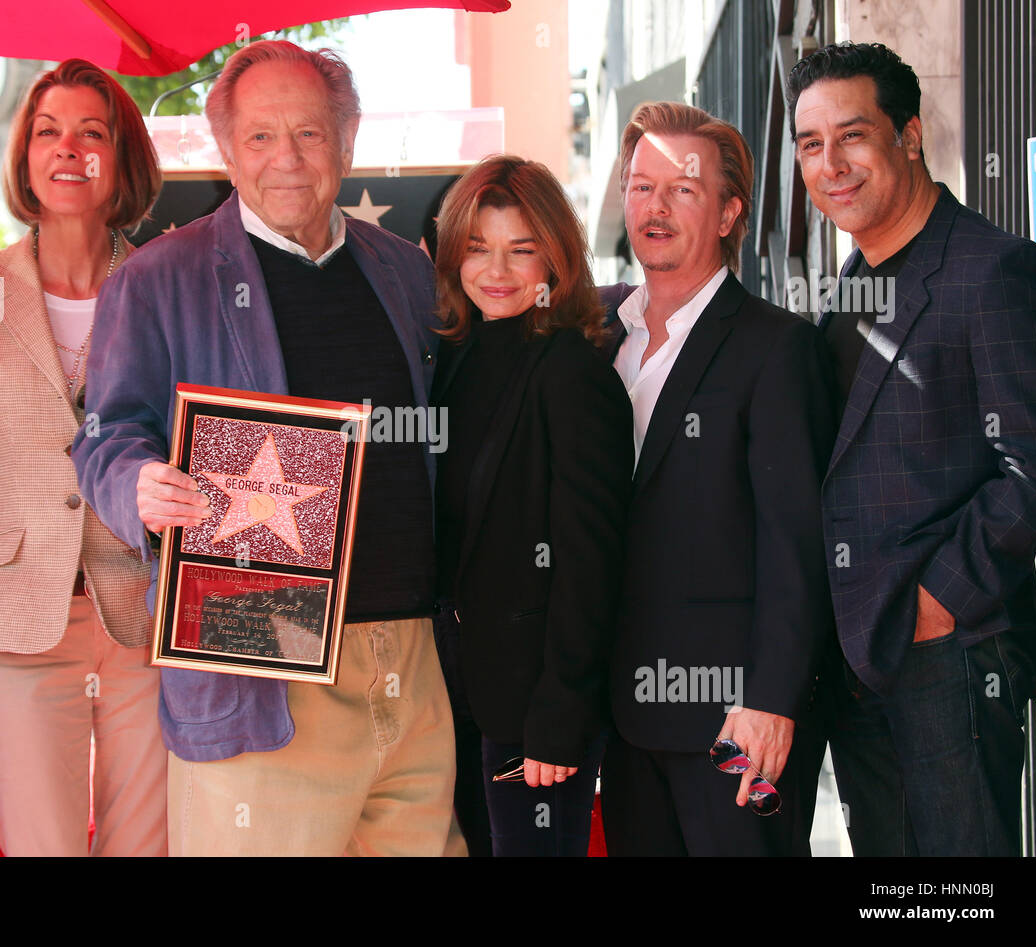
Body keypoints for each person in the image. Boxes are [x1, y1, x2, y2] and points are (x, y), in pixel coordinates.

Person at [73, 39, 463, 857]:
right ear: (225, 148)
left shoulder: (406, 270)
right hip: (261, 654)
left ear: (347, 142)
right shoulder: (157, 278)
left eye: (310, 134)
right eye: (259, 136)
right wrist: (138, 483)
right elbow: (106, 433)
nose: (286, 158)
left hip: (413, 658)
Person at [788, 41, 1036, 856]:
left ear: (909, 134)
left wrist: (936, 602)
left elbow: (1033, 469)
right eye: (809, 144)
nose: (831, 164)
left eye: (852, 135)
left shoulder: (991, 270)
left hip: (953, 658)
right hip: (863, 666)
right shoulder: (848, 286)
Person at [0, 59, 166, 857]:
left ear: (121, 158)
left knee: (145, 845)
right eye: (48, 132)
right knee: (42, 847)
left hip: (143, 610)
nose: (69, 149)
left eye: (92, 133)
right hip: (17, 614)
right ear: (25, 156)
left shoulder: (171, 285)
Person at [599, 102, 837, 856]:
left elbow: (796, 543)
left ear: (732, 211)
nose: (655, 208)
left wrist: (771, 700)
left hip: (736, 727)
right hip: (623, 722)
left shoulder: (777, 349)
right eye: (641, 187)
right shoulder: (598, 336)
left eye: (684, 189)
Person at [429, 155, 632, 856]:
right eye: (478, 247)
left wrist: (561, 714)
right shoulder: (450, 358)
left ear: (556, 256)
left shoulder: (573, 370)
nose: (498, 270)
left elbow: (592, 561)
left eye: (523, 249)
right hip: (453, 695)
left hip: (535, 711)